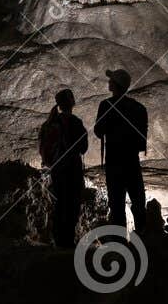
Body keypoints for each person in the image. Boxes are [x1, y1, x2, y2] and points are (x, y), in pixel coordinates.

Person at [93, 68, 148, 232]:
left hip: (114, 161)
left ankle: (119, 244)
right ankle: (143, 241)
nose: (108, 82)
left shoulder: (105, 105)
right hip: (131, 160)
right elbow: (141, 142)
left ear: (115, 85)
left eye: (111, 81)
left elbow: (98, 131)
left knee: (116, 204)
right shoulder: (139, 108)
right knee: (138, 202)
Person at [38, 88, 88, 248]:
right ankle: (68, 239)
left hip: (58, 169)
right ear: (72, 102)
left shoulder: (50, 123)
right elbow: (83, 148)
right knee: (72, 203)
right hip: (72, 168)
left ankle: (58, 239)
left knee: (60, 203)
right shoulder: (75, 122)